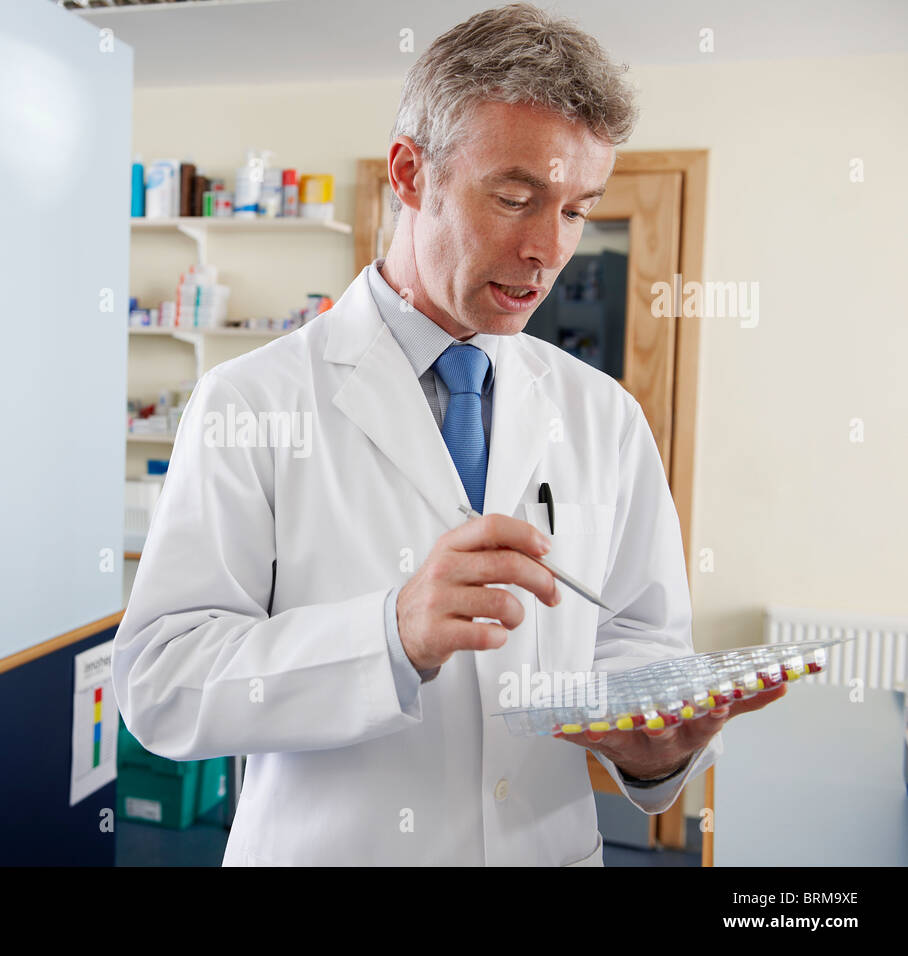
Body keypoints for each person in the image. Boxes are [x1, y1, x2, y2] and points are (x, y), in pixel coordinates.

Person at [113, 2, 784, 866]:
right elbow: (161, 682)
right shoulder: (252, 400)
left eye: (577, 210)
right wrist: (388, 635)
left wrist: (658, 748)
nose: (549, 248)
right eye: (515, 197)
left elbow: (636, 642)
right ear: (410, 173)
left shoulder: (603, 415)